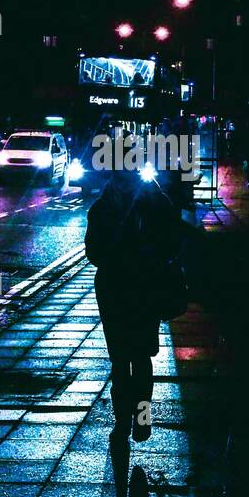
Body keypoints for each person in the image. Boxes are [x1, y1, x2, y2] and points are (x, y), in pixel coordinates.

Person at [85, 166, 183, 442]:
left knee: (131, 359)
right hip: (131, 288)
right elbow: (173, 243)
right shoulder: (151, 202)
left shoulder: (108, 206)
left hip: (128, 288)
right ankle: (130, 422)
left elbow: (93, 250)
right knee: (130, 359)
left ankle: (131, 423)